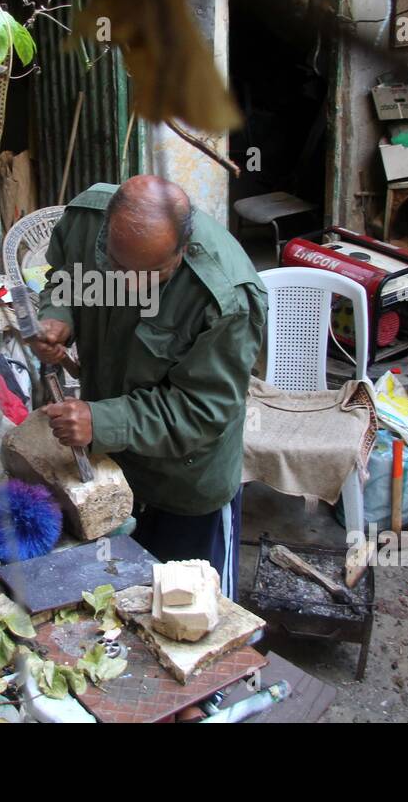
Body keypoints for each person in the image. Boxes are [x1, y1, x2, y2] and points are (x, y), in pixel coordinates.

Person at [29, 175, 266, 597]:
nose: (132, 285)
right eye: (117, 269)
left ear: (182, 249)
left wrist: (100, 420)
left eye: (154, 274)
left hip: (183, 485)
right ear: (106, 233)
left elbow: (201, 410)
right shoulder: (85, 220)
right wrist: (58, 316)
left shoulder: (225, 298)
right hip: (109, 469)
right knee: (117, 598)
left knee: (190, 612)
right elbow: (63, 278)